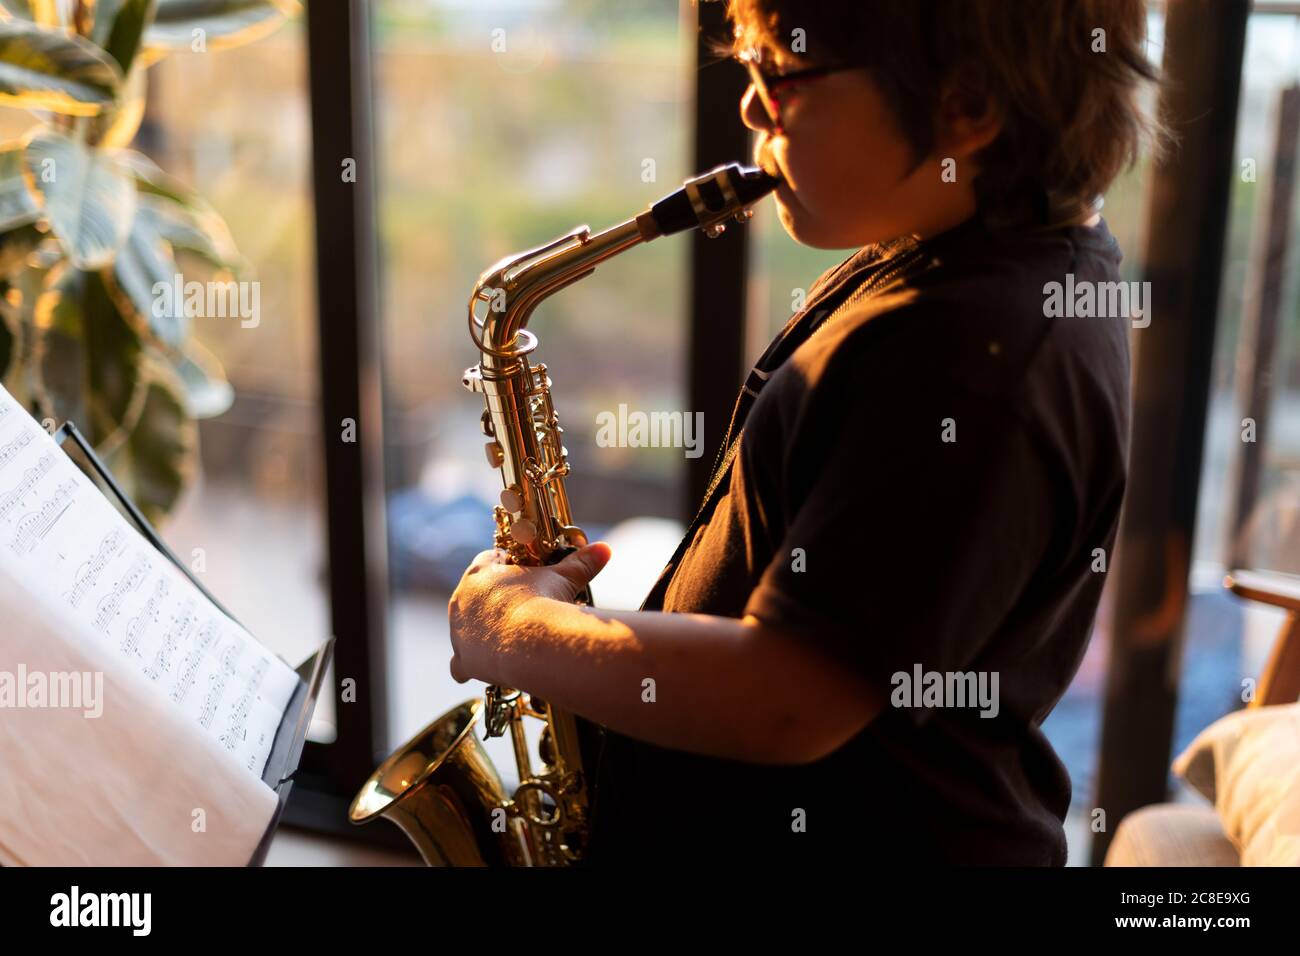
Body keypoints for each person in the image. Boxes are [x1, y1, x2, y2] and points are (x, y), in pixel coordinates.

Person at [447, 0, 1164, 865]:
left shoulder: (968, 359)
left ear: (967, 108)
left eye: (780, 75)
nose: (750, 107)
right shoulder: (952, 255)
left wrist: (512, 631)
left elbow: (787, 698)